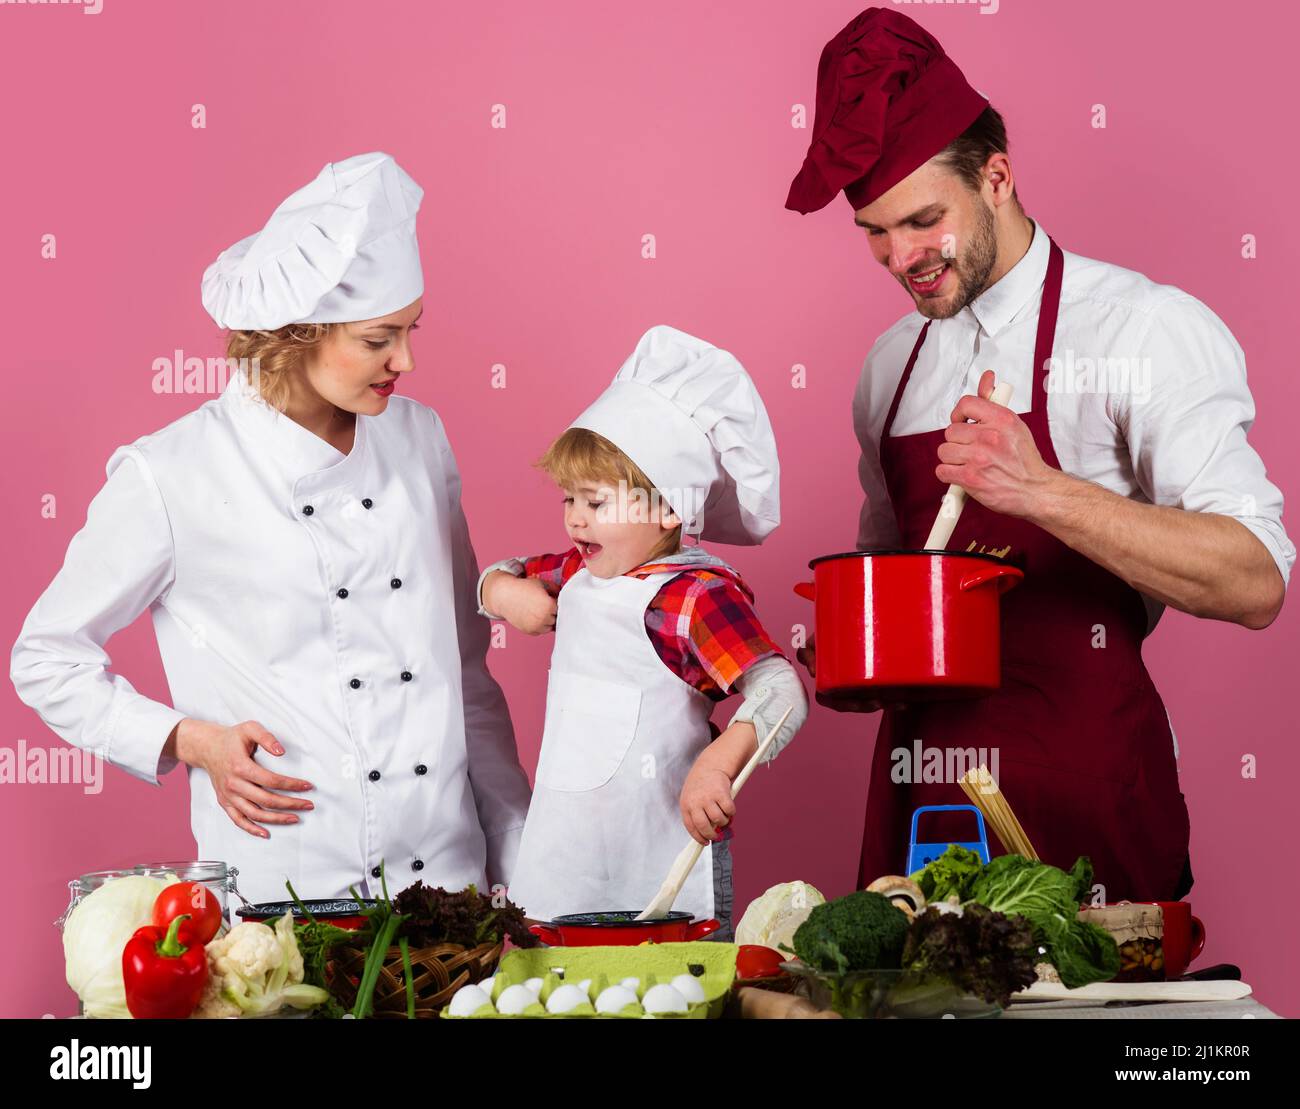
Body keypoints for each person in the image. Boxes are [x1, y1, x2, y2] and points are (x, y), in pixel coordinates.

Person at [785, 9, 1293, 900]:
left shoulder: (1141, 328)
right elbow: (887, 575)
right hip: (917, 810)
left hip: (1084, 800)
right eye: (874, 230)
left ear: (998, 176)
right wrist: (839, 640)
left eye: (923, 220)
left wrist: (1045, 493)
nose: (901, 257)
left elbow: (1256, 581)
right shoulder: (886, 370)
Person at [11, 152, 532, 905]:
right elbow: (45, 656)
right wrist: (192, 742)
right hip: (288, 897)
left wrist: (518, 857)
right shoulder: (173, 473)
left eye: (411, 330)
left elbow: (465, 670)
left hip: (452, 892)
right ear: (297, 331)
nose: (407, 360)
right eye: (379, 338)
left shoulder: (421, 439)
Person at [478, 325, 808, 937]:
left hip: (657, 852)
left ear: (668, 508)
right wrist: (502, 593)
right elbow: (502, 573)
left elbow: (780, 689)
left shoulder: (693, 595)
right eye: (568, 500)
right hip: (564, 851)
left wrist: (720, 762)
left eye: (596, 503)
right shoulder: (580, 570)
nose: (575, 518)